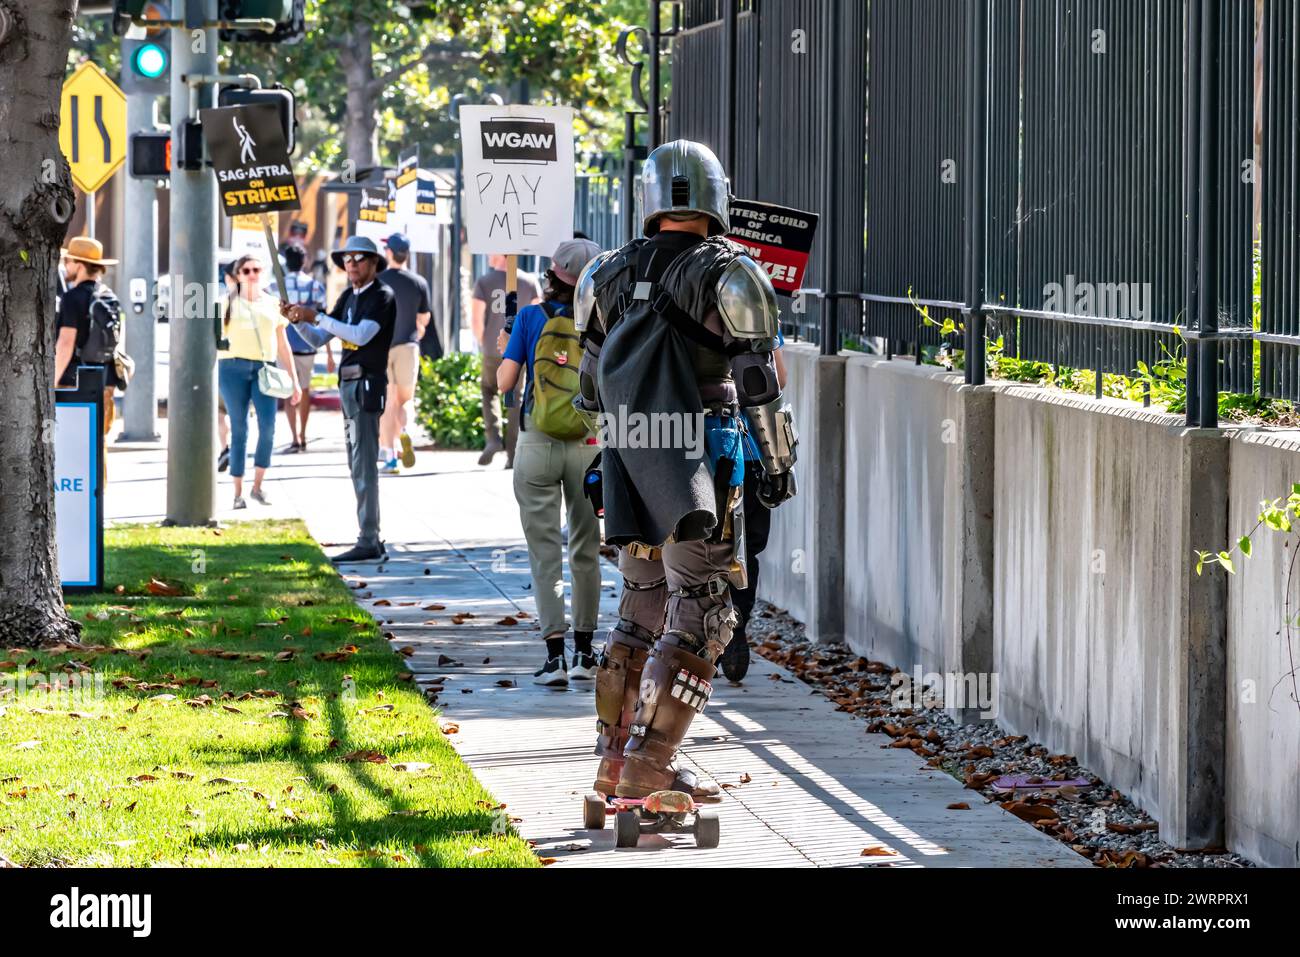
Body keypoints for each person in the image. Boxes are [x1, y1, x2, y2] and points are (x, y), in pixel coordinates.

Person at [574, 140, 799, 802]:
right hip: (702, 458)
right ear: (715, 195)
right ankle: (651, 766)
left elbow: (589, 392)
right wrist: (778, 464)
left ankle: (615, 760)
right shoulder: (732, 274)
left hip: (626, 457)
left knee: (640, 607)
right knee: (702, 609)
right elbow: (759, 384)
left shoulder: (604, 274)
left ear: (650, 199)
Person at [497, 238, 605, 687]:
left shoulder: (528, 317)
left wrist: (506, 342)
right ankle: (584, 652)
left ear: (551, 275)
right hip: (588, 441)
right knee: (587, 548)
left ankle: (554, 657)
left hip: (536, 443)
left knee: (544, 554)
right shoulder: (604, 322)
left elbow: (504, 383)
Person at [282, 236, 397, 563]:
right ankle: (367, 535)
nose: (352, 264)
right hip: (347, 386)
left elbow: (361, 335)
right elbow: (320, 338)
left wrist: (314, 316)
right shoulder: (347, 296)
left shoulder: (382, 297)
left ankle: (369, 537)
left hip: (366, 385)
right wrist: (299, 321)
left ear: (374, 262)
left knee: (364, 462)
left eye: (359, 258)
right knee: (354, 460)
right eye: (347, 259)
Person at [718, 335, 788, 683]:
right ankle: (736, 621)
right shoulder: (753, 300)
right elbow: (779, 379)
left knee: (698, 543)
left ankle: (699, 630)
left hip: (694, 446)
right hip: (750, 449)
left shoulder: (678, 291)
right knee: (746, 548)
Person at [217, 254, 302, 509]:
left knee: (268, 428)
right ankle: (237, 492)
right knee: (240, 429)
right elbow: (211, 342)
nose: (252, 274)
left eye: (256, 269)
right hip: (232, 368)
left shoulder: (274, 304)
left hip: (265, 369)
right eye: (246, 270)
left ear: (263, 273)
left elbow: (283, 344)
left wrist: (295, 381)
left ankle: (258, 486)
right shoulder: (224, 304)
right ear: (238, 275)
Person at [472, 253, 541, 467]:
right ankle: (513, 453)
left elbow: (475, 319)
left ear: (503, 254)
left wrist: (485, 343)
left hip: (493, 349)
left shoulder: (484, 281)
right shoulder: (530, 282)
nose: (487, 254)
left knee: (489, 391)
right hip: (519, 350)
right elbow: (538, 317)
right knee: (514, 397)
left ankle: (493, 438)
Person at [267, 243, 332, 452]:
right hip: (308, 345)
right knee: (305, 390)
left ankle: (294, 437)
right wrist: (329, 354)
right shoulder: (315, 287)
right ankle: (303, 434)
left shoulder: (275, 287)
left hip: (283, 343)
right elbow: (324, 321)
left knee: (288, 392)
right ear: (305, 262)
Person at [54, 237, 124, 435]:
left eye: (68, 261)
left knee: (76, 447)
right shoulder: (110, 297)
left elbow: (66, 344)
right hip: (106, 382)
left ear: (80, 265)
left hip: (74, 382)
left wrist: (51, 384)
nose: (65, 266)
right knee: (99, 446)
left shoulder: (72, 298)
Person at [377, 233, 432, 474]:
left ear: (389, 253)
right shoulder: (418, 282)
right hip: (408, 346)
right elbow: (424, 317)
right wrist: (418, 330)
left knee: (387, 404)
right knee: (405, 401)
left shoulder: (378, 280)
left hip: (382, 347)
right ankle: (405, 433)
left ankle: (389, 457)